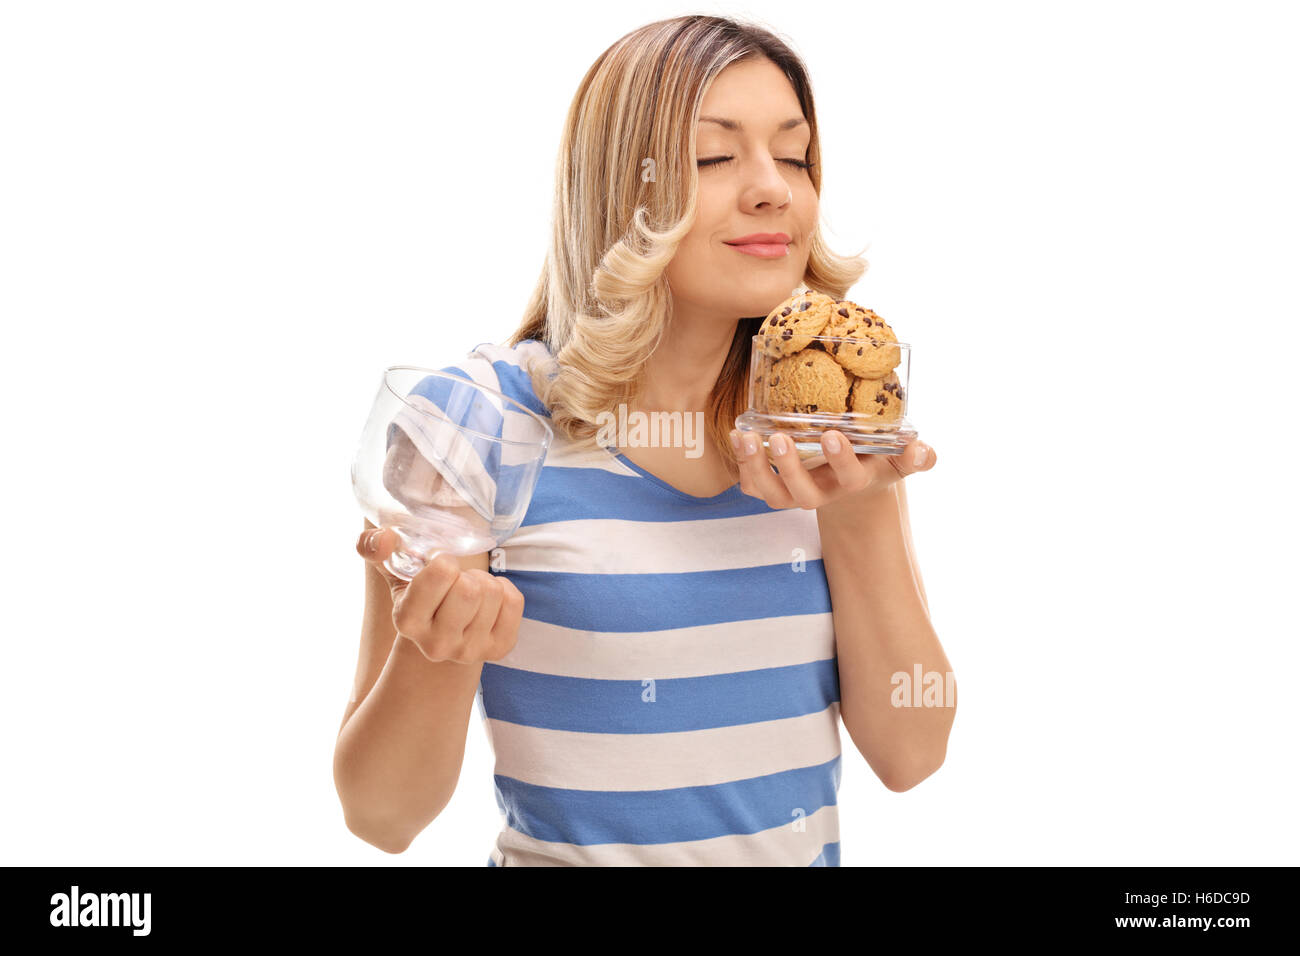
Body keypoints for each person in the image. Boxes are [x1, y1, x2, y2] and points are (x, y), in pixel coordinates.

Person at [334, 14, 956, 866]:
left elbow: (913, 753)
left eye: (796, 154)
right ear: (620, 187)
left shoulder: (823, 421)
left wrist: (859, 511)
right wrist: (438, 655)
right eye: (714, 156)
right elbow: (380, 815)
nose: (774, 188)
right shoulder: (477, 420)